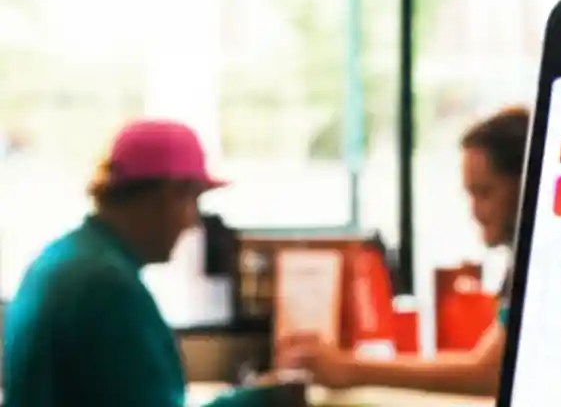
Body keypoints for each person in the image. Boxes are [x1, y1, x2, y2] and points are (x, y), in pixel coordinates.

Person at [1, 120, 292, 407]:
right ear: (166, 197)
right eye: (193, 201)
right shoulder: (108, 288)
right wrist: (264, 399)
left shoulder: (61, 259)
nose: (193, 223)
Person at [279, 106, 529, 396]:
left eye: (485, 192)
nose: (474, 212)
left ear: (525, 184)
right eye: (470, 195)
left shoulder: (540, 262)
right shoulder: (519, 262)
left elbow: (490, 372)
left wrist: (348, 369)